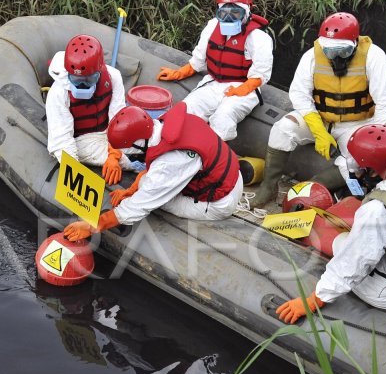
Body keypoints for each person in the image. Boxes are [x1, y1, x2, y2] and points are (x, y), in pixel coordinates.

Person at [275, 125, 386, 322]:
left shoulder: (378, 210)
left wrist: (315, 299)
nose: (353, 169)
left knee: (340, 242)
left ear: (372, 172)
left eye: (357, 165)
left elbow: (352, 264)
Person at [250, 12, 386, 207]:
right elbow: (299, 94)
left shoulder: (373, 56)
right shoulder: (312, 56)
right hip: (320, 117)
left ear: (355, 43)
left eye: (343, 52)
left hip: (357, 124)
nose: (336, 58)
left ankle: (311, 188)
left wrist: (372, 140)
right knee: (282, 129)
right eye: (330, 52)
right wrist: (318, 131)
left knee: (355, 161)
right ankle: (269, 187)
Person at [62, 102, 244, 241]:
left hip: (219, 202)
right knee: (144, 184)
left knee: (157, 200)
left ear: (137, 143)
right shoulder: (165, 125)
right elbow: (152, 169)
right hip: (231, 176)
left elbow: (136, 208)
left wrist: (93, 225)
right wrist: (130, 190)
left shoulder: (168, 164)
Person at [156, 0, 273, 142]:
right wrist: (179, 73)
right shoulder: (212, 27)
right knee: (185, 109)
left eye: (235, 13)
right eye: (224, 13)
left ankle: (214, 153)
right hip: (214, 82)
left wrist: (243, 89)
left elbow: (260, 74)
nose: (229, 18)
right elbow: (198, 59)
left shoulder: (259, 38)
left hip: (243, 85)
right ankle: (165, 142)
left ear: (247, 11)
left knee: (223, 116)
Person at [46, 34, 127, 184]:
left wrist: (114, 153)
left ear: (99, 70)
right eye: (77, 80)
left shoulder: (113, 77)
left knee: (147, 141)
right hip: (82, 139)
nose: (82, 86)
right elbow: (62, 139)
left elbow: (118, 117)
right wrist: (76, 174)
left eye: (89, 80)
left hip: (107, 131)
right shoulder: (58, 93)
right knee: (127, 161)